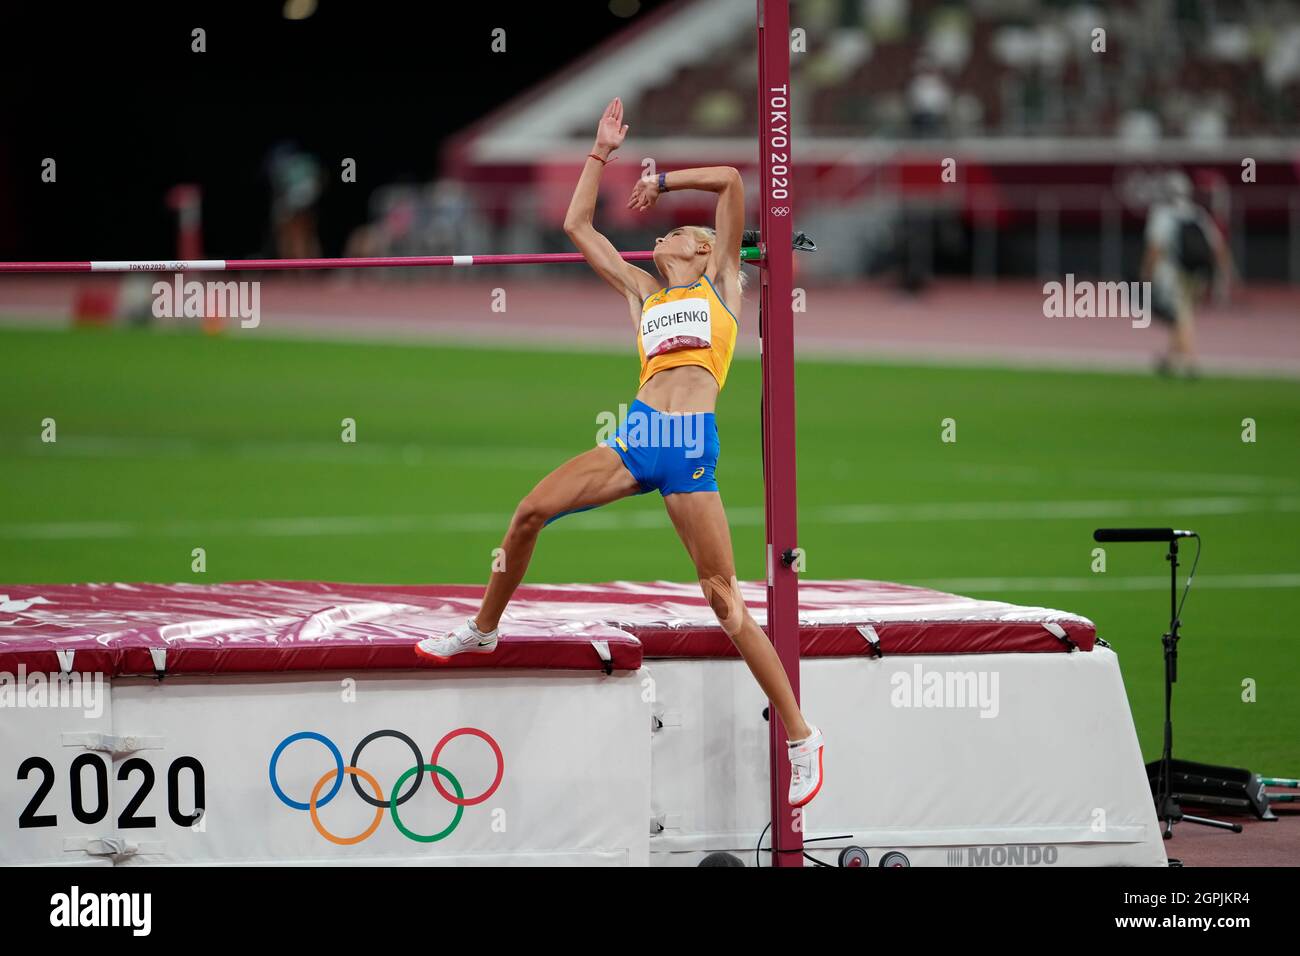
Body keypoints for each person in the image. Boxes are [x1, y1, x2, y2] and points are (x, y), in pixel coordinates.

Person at [416, 97, 824, 808]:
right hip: (638, 438)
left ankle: (801, 737)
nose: (669, 235)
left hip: (688, 447)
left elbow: (729, 179)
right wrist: (601, 152)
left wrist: (664, 182)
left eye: (683, 234)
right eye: (669, 230)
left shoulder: (724, 283)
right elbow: (578, 224)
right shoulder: (643, 293)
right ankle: (484, 630)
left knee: (724, 600)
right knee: (529, 512)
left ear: (704, 252)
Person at [1142, 171, 1235, 376]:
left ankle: (1190, 359)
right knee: (1183, 315)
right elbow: (1218, 247)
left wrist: (1146, 274)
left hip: (1173, 272)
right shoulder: (1198, 214)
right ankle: (1172, 357)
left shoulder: (1162, 214)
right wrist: (1227, 272)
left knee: (1181, 316)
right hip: (1197, 273)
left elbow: (1155, 248)